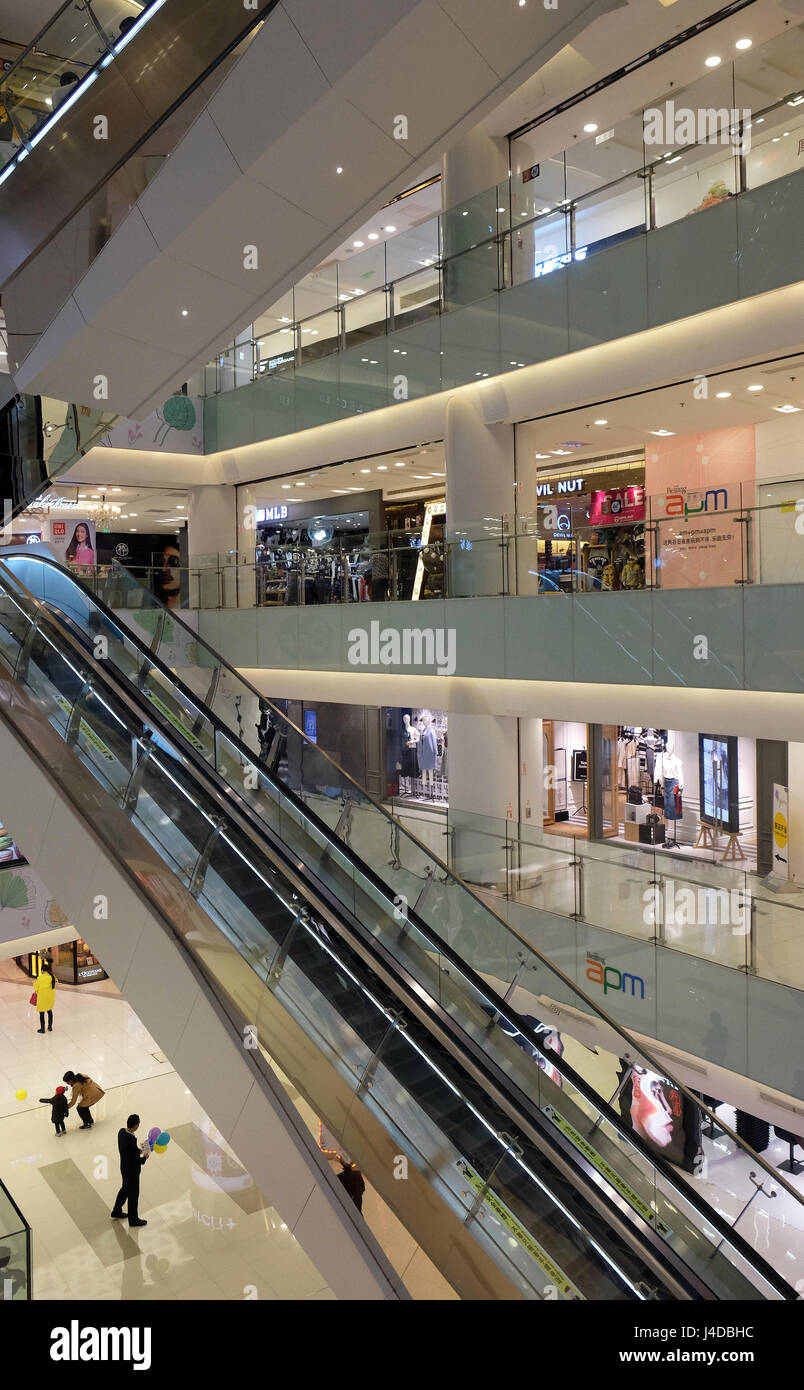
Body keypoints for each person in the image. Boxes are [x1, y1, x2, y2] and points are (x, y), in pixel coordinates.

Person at [111, 1114, 149, 1226]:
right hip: (132, 1172)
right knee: (133, 1195)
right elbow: (136, 1161)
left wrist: (137, 1150)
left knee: (125, 1189)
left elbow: (129, 1149)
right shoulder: (131, 1141)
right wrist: (144, 1158)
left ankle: (116, 1210)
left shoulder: (122, 1132)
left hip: (124, 1168)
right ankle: (133, 1220)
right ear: (136, 1126)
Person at [33, 961, 56, 1033]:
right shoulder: (52, 976)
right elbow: (56, 981)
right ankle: (50, 1027)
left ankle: (42, 1029)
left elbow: (35, 988)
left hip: (42, 998)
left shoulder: (40, 978)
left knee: (42, 1013)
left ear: (42, 970)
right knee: (49, 1011)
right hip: (50, 998)